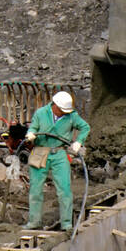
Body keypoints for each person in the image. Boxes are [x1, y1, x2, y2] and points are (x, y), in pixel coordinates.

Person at [23, 90, 90, 233]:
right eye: (62, 111)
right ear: (55, 106)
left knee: (64, 190)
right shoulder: (41, 113)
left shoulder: (72, 116)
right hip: (40, 152)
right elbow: (34, 127)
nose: (64, 113)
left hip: (59, 153)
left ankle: (66, 224)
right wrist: (30, 134)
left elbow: (85, 127)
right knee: (35, 189)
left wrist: (79, 142)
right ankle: (34, 222)